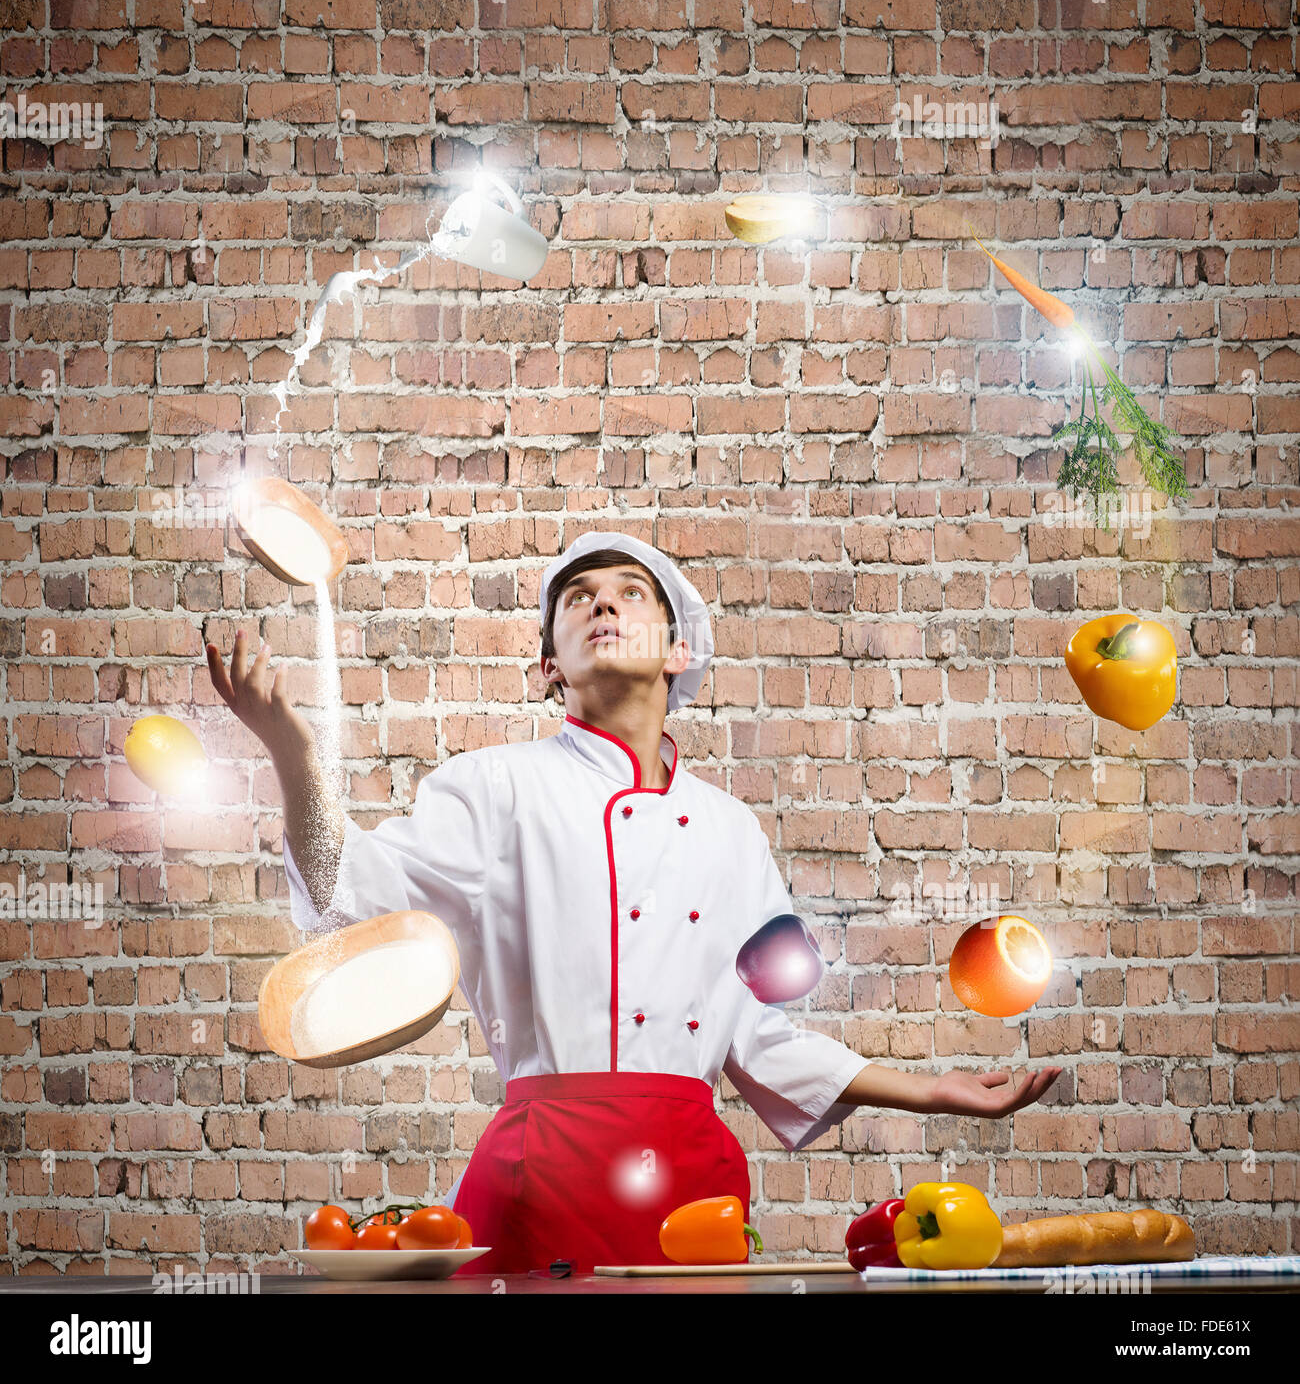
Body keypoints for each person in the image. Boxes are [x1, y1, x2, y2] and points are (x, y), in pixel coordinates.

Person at [205, 530, 1062, 1275]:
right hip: (537, 1180)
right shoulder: (492, 789)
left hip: (691, 1191)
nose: (600, 605)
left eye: (629, 594)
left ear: (677, 650)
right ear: (549, 667)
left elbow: (762, 1040)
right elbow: (346, 898)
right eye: (577, 599)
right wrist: (292, 753)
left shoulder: (731, 832)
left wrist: (932, 1091)